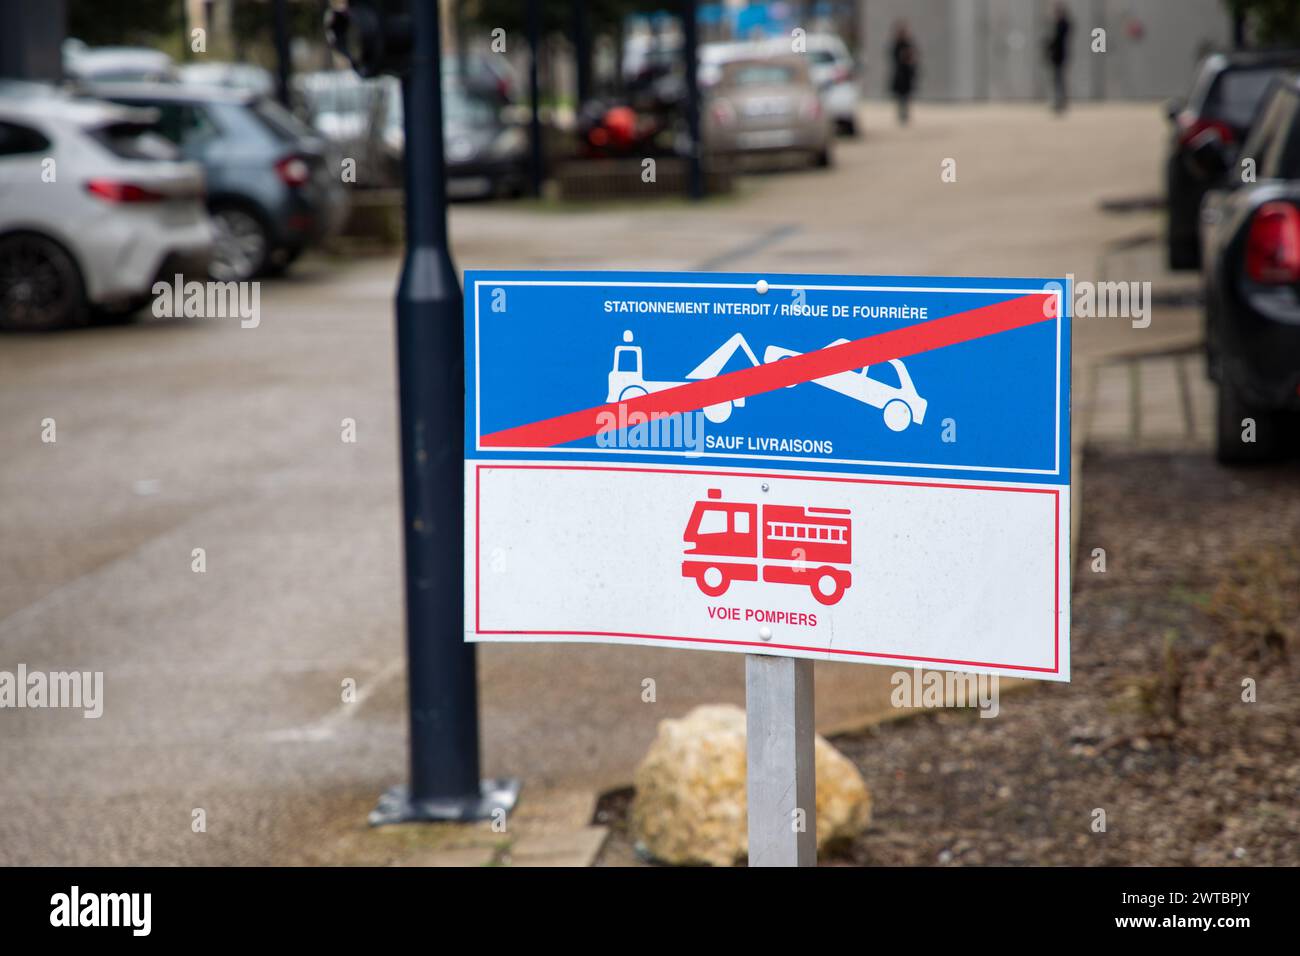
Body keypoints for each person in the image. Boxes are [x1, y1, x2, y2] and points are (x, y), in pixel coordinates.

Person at [889, 20, 918, 126]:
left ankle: (905, 115)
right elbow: (895, 57)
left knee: (906, 96)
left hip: (907, 75)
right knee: (900, 97)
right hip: (900, 76)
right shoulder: (897, 44)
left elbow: (914, 57)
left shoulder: (909, 43)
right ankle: (902, 115)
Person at [1045, 2, 1073, 114]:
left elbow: (1057, 39)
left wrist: (1049, 45)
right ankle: (1060, 102)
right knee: (1058, 80)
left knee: (1059, 80)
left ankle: (1060, 102)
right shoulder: (1061, 23)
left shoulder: (1062, 24)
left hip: (1059, 55)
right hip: (1058, 55)